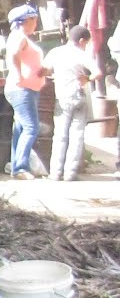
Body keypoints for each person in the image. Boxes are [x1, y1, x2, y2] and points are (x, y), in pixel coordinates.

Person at [45, 25, 100, 181]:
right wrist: (87, 79)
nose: (86, 46)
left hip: (62, 98)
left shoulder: (55, 52)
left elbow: (46, 71)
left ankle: (55, 173)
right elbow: (99, 72)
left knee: (60, 136)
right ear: (82, 41)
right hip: (78, 96)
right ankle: (70, 173)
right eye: (86, 43)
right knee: (76, 135)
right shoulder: (82, 55)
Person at [3, 4, 45, 180]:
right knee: (31, 127)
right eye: (34, 19)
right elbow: (14, 55)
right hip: (22, 89)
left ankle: (16, 166)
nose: (36, 23)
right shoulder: (19, 37)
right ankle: (20, 168)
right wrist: (19, 75)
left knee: (20, 128)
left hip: (25, 88)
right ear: (26, 21)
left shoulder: (20, 37)